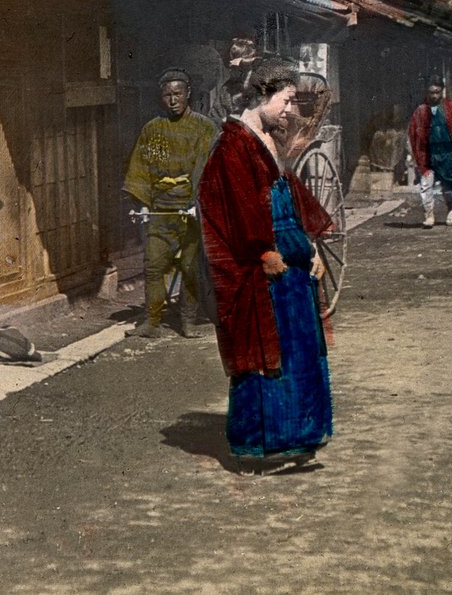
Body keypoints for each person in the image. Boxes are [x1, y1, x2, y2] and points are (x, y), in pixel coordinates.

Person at [198, 57, 334, 470]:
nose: (291, 111)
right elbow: (232, 208)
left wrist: (310, 250)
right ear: (263, 95)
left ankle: (297, 437)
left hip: (289, 252)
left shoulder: (265, 140)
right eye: (287, 101)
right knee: (265, 353)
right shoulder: (232, 145)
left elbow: (289, 194)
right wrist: (262, 253)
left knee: (298, 348)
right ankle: (259, 445)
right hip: (261, 262)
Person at [123, 68, 218, 338]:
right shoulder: (153, 129)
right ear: (161, 98)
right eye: (167, 95)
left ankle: (187, 321)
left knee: (190, 267)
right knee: (153, 265)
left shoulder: (204, 127)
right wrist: (142, 203)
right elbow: (141, 168)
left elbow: (208, 169)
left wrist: (197, 203)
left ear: (188, 94)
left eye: (178, 94)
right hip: (161, 208)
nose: (173, 100)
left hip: (191, 208)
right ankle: (152, 321)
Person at [408, 76, 452, 228]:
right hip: (428, 155)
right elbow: (412, 134)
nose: (434, 95)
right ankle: (429, 215)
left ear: (442, 91)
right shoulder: (420, 111)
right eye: (431, 92)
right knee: (425, 186)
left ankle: (451, 210)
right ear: (427, 93)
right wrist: (412, 154)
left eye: (437, 92)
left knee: (449, 186)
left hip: (448, 154)